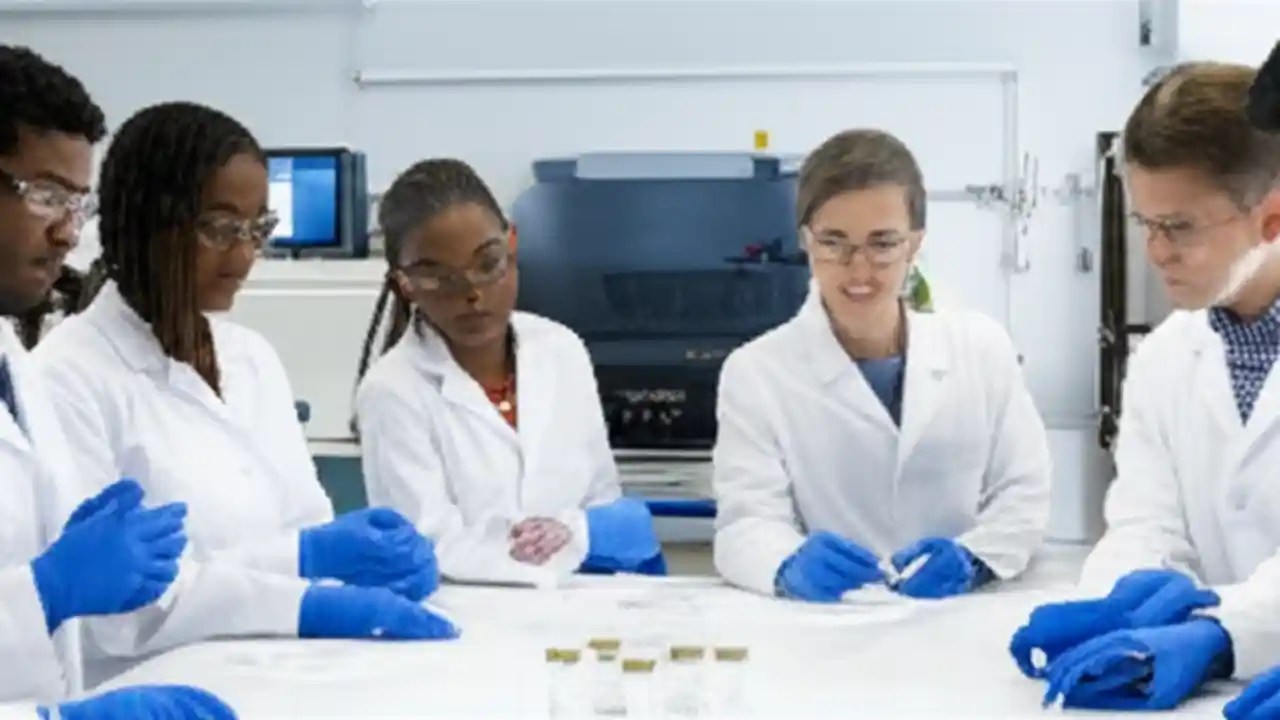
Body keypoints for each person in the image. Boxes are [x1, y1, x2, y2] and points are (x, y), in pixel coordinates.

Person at [30, 100, 457, 685]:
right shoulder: (68, 376)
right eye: (221, 228)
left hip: (282, 670)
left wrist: (352, 563)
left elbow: (308, 521)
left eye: (258, 228)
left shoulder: (251, 358)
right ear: (148, 222)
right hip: (151, 688)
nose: (246, 253)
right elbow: (117, 610)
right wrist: (304, 578)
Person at [1021, 53, 1280, 712]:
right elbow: (1144, 518)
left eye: (1178, 227)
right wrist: (1128, 591)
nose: (1155, 251)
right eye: (1145, 223)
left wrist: (1221, 633)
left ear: (1271, 217)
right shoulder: (1166, 357)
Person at [712, 128, 1052, 602]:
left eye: (882, 244)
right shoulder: (757, 372)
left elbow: (1024, 496)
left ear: (914, 244)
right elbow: (745, 524)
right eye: (835, 242)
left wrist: (975, 559)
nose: (859, 270)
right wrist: (786, 563)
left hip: (958, 620)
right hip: (822, 629)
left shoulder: (981, 349)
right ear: (806, 241)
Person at [0, 43, 236, 720]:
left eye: (78, 202)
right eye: (45, 195)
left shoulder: (13, 362)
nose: (69, 233)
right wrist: (44, 592)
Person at [354, 158, 664, 586]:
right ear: (405, 284)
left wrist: (584, 532)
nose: (472, 294)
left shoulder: (561, 350)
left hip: (582, 606)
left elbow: (599, 501)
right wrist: (565, 545)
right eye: (439, 278)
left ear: (512, 245)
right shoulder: (392, 390)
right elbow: (428, 547)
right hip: (467, 619)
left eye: (488, 264)